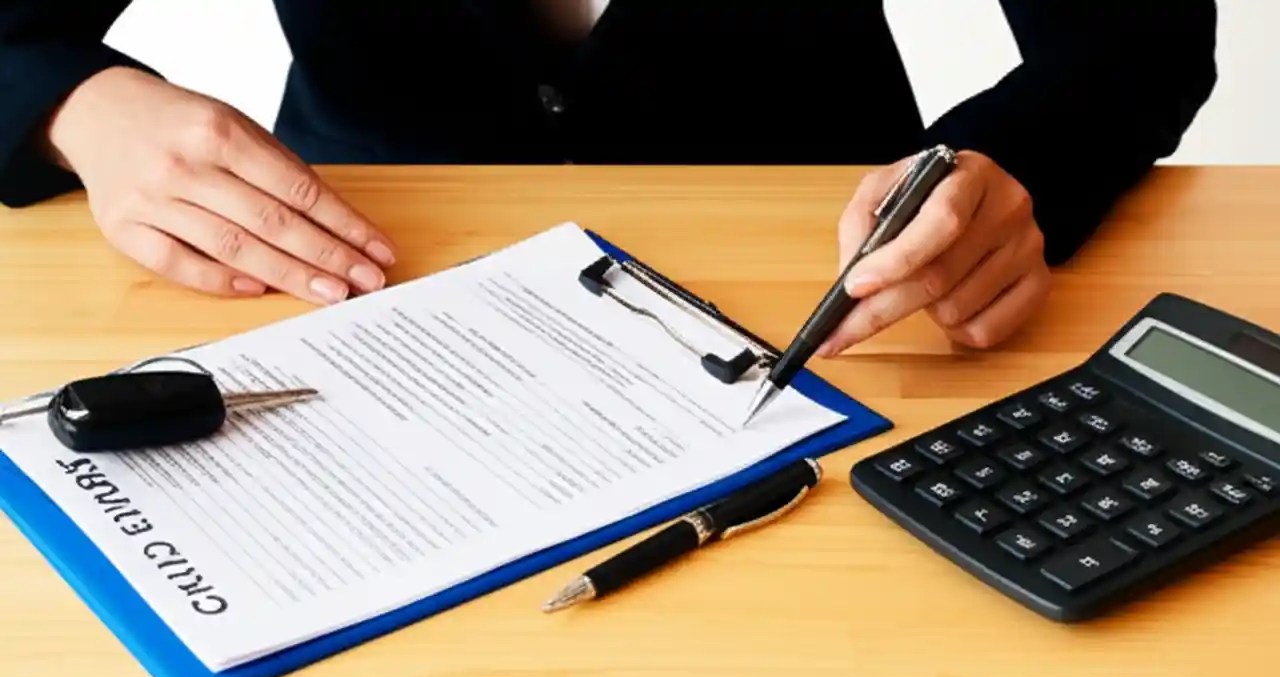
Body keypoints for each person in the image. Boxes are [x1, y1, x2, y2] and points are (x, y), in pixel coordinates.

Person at [0, 2, 1216, 353]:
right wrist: (72, 104)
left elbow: (1137, 35)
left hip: (841, 292)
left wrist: (1022, 160)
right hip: (344, 282)